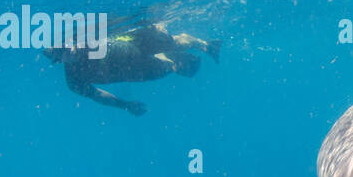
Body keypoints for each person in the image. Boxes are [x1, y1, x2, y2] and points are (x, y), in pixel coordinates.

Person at [43, 23, 220, 115]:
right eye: (61, 51)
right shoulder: (74, 80)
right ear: (58, 60)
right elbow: (96, 95)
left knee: (172, 41)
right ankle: (173, 60)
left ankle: (206, 46)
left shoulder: (86, 38)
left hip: (133, 43)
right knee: (170, 66)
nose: (68, 47)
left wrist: (153, 28)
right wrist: (125, 105)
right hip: (135, 71)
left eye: (65, 44)